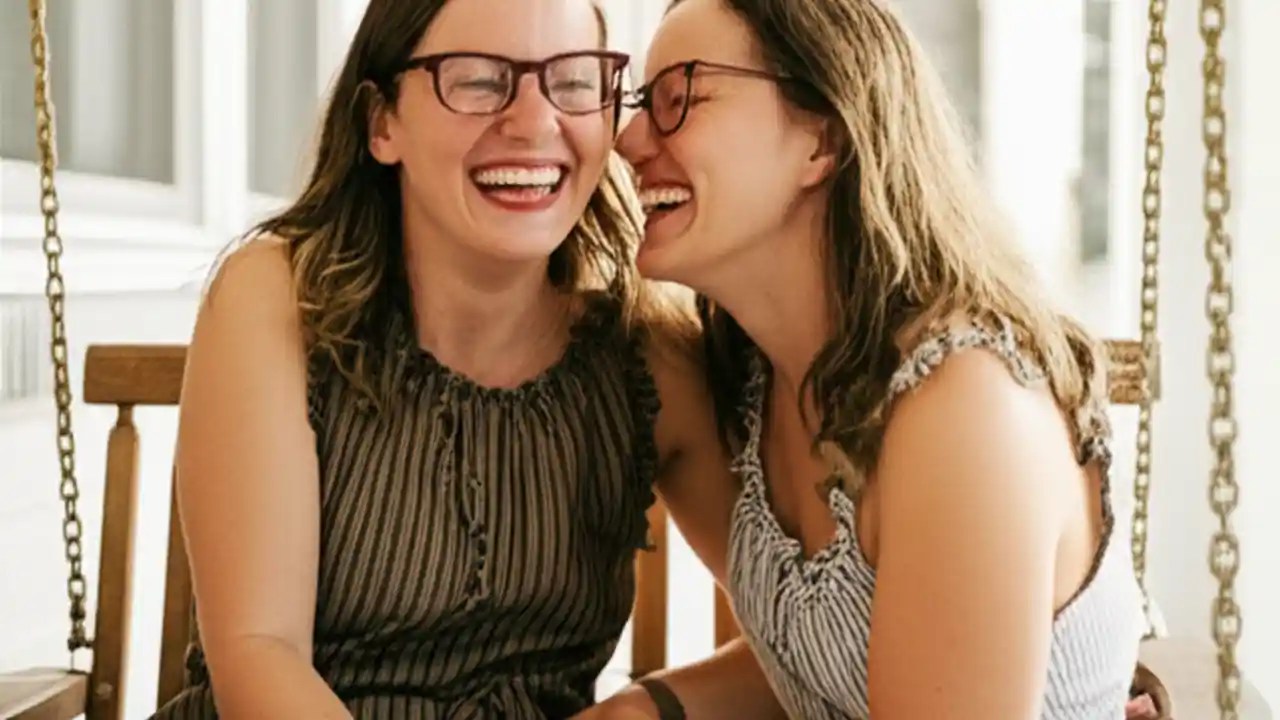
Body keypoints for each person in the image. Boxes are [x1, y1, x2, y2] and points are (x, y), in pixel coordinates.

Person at [154, 0, 764, 717]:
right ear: (382, 123)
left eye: (574, 81)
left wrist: (644, 708)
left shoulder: (646, 356)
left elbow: (806, 640)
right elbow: (260, 652)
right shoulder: (276, 297)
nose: (535, 122)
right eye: (477, 81)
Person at [607, 0, 1149, 718]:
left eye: (681, 98)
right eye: (643, 103)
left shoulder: (964, 405)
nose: (628, 139)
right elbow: (824, 655)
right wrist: (644, 707)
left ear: (823, 137)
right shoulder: (761, 383)